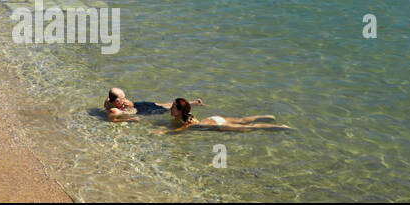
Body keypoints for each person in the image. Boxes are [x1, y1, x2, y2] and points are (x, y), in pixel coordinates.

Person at [158, 97, 291, 133]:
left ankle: (280, 126)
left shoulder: (187, 121)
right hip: (213, 118)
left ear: (180, 110)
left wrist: (165, 132)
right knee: (242, 120)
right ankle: (267, 116)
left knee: (250, 128)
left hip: (216, 124)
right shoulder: (185, 114)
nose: (171, 108)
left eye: (174, 107)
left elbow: (180, 130)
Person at [103, 88, 201, 122]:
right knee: (163, 108)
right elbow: (113, 121)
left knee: (161, 104)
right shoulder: (113, 110)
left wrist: (128, 103)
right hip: (142, 112)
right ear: (116, 101)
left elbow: (109, 97)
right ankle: (191, 103)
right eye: (123, 98)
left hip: (138, 105)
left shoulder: (110, 100)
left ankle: (192, 102)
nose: (125, 99)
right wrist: (130, 120)